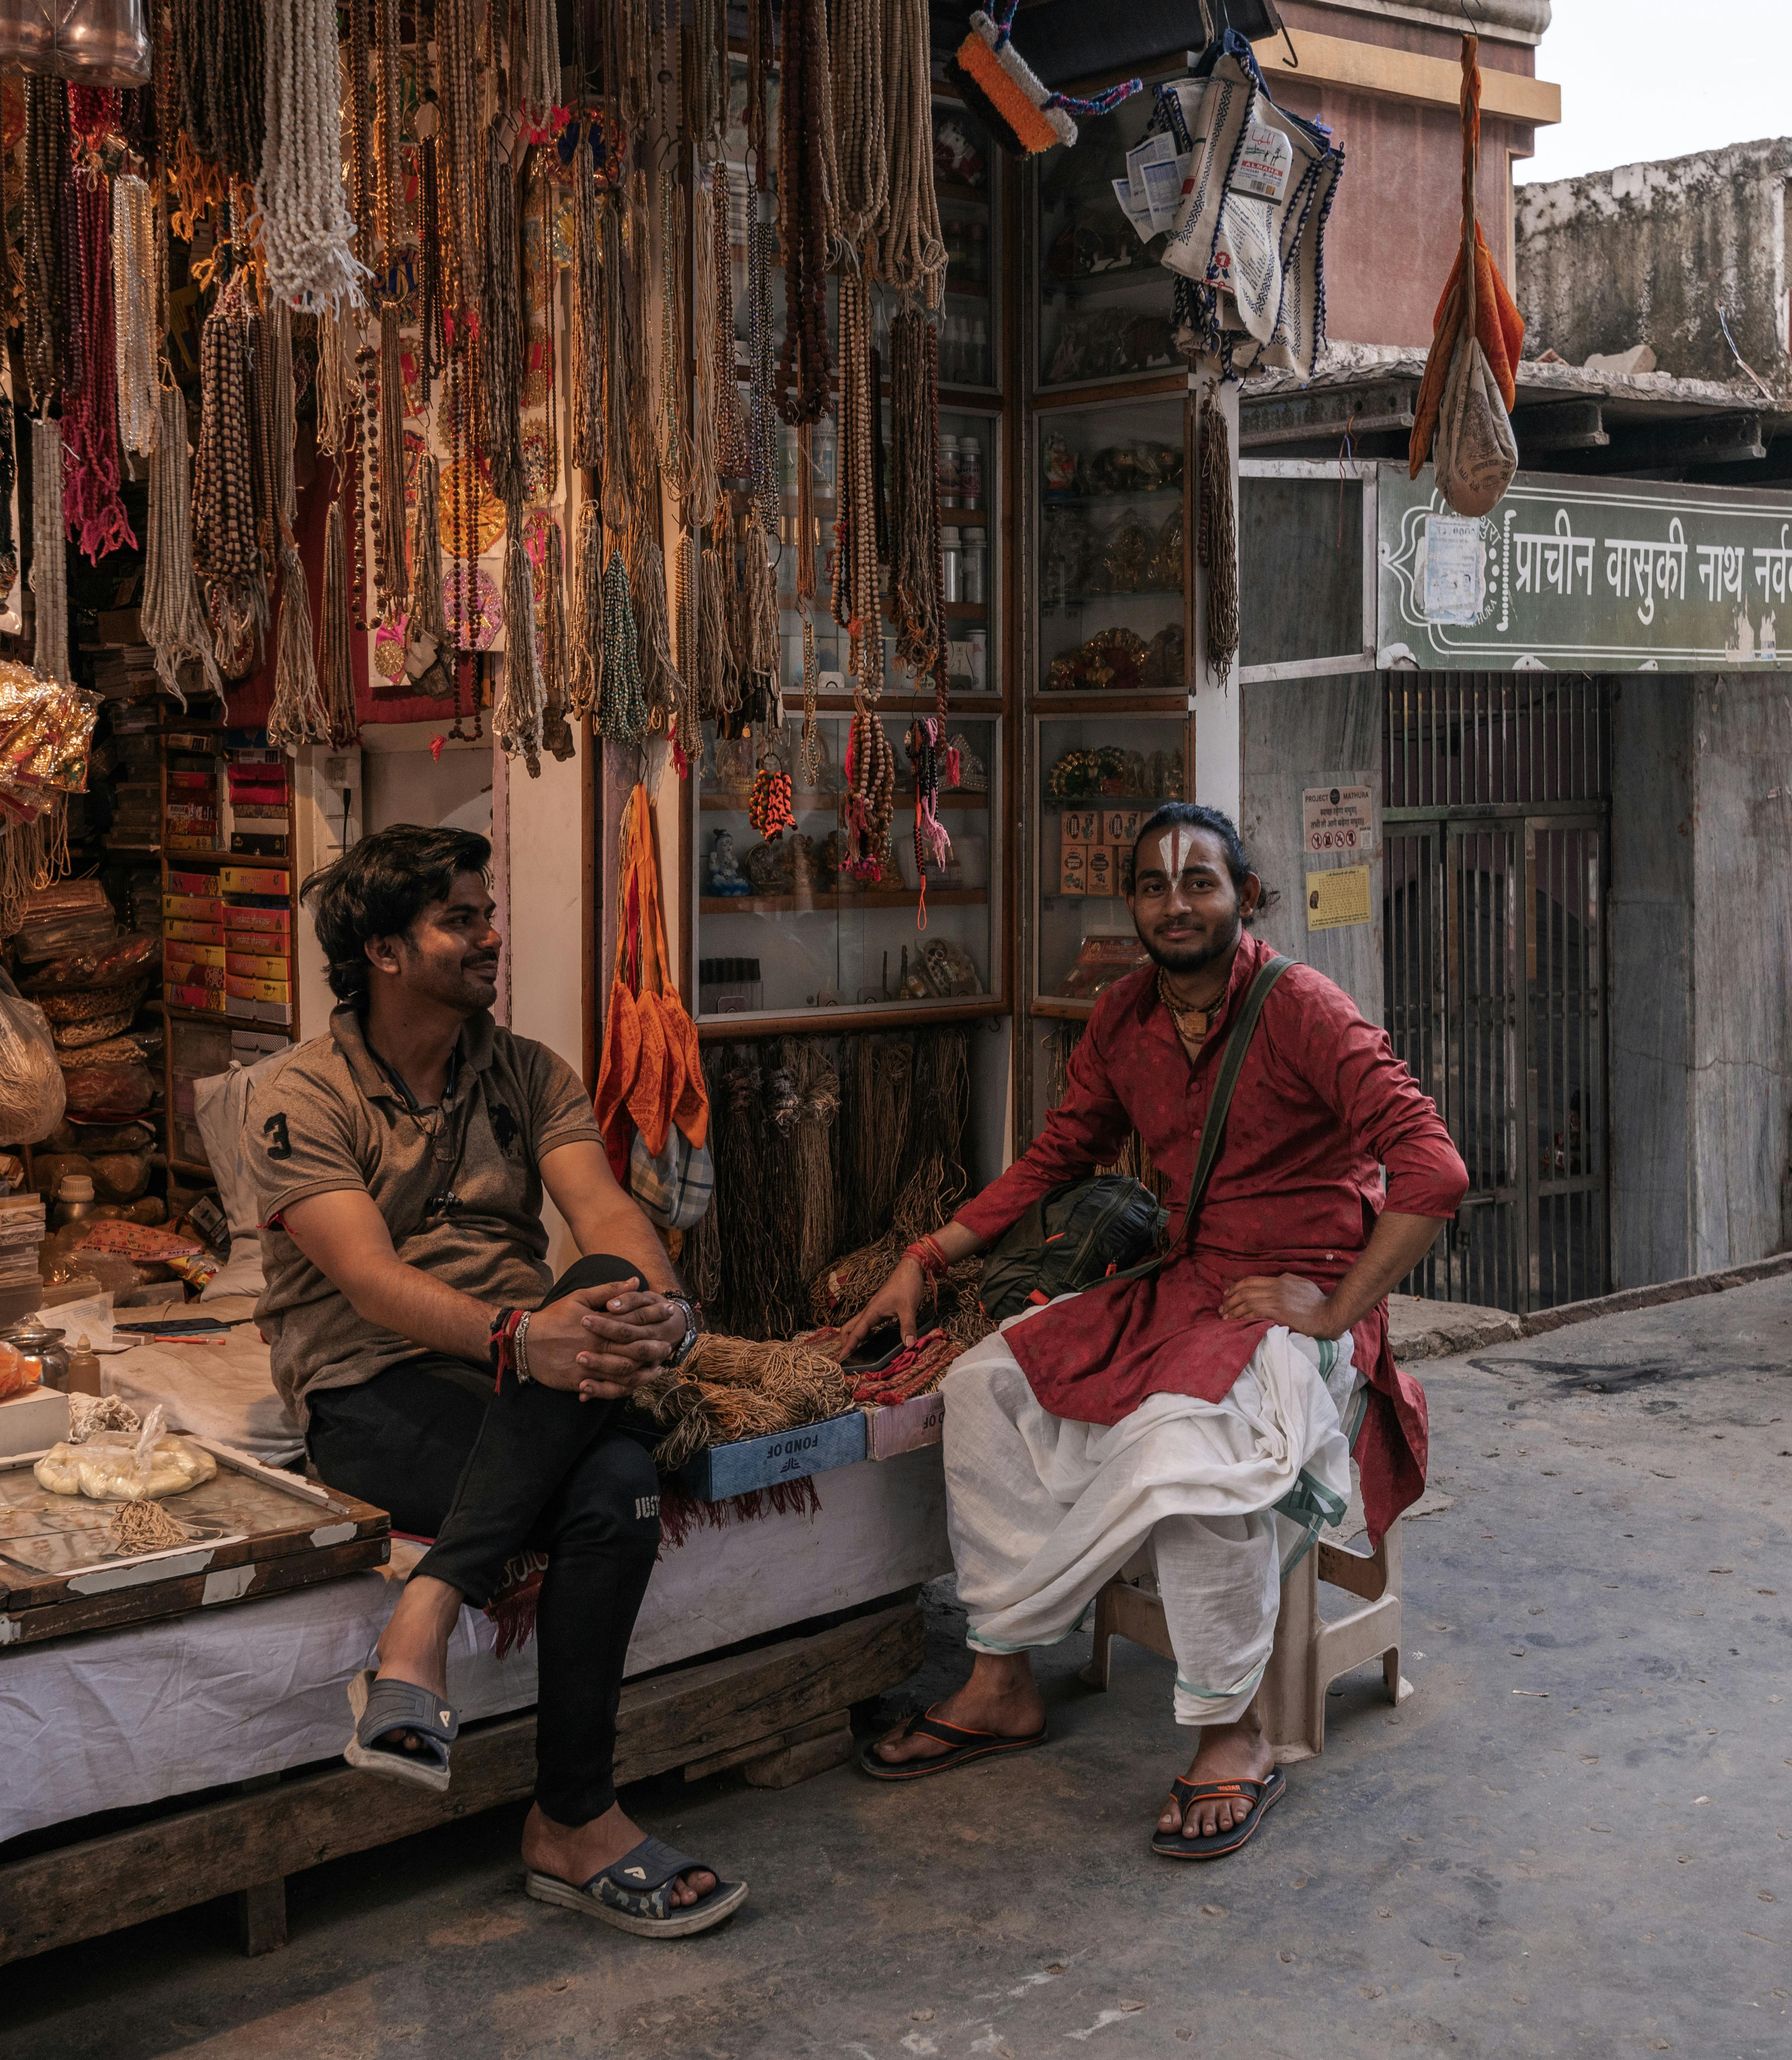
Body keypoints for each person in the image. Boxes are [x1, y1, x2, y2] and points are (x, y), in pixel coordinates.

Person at [841, 803, 1467, 1860]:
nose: (1176, 904)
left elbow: (1433, 1169)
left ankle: (1232, 1732)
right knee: (984, 1387)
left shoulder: (1304, 1007)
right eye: (1153, 885)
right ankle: (1000, 1679)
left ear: (1246, 896)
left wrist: (1333, 1308)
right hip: (1183, 1290)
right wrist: (924, 1258)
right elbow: (1058, 1156)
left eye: (1200, 882)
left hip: (1291, 1307)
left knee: (1187, 1463)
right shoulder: (1124, 1015)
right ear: (1131, 903)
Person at [248, 825, 746, 1938]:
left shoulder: (525, 1070)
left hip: (527, 1373)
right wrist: (525, 1340)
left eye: (489, 914)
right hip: (372, 1388)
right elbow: (371, 1282)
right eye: (460, 921)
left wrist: (663, 1310)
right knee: (616, 1484)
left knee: (612, 1300)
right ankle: (574, 1821)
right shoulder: (297, 1095)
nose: (491, 937)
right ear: (384, 952)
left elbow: (604, 1210)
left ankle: (430, 1619)